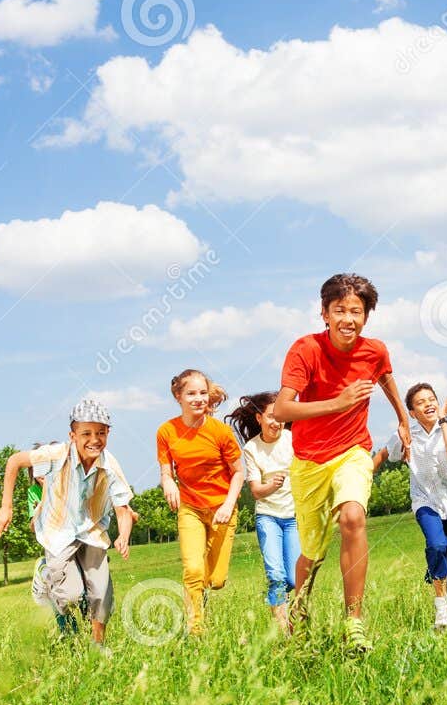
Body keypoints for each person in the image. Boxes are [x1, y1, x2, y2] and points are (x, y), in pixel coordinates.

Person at [274, 273, 409, 653]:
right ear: (325, 313)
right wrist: (339, 402)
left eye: (356, 311)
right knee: (313, 553)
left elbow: (385, 378)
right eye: (340, 310)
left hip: (353, 451)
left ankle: (354, 622)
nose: (348, 318)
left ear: (366, 316)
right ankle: (298, 617)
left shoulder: (375, 350)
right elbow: (283, 408)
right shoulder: (305, 349)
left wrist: (402, 419)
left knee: (352, 517)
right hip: (309, 462)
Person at [0, 398, 134, 650]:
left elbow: (122, 509)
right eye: (86, 433)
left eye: (100, 433)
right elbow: (14, 461)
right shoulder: (56, 455)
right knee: (71, 596)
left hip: (92, 531)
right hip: (57, 531)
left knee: (101, 594)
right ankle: (48, 580)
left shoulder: (110, 464)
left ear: (108, 433)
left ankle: (97, 647)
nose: (94, 439)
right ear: (73, 435)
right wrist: (6, 507)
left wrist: (123, 536)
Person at [373, 384, 447, 630]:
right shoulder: (407, 434)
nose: (428, 404)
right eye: (421, 402)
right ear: (411, 411)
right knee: (437, 544)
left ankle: (441, 587)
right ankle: (442, 607)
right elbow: (384, 454)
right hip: (424, 500)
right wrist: (362, 479)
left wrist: (444, 421)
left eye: (432, 399)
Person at [157, 369, 244, 633]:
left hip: (222, 508)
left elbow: (239, 471)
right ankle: (196, 631)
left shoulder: (220, 431)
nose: (198, 399)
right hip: (191, 509)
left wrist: (228, 505)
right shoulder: (167, 431)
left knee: (216, 580)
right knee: (193, 570)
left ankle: (201, 591)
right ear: (178, 396)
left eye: (203, 393)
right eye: (191, 393)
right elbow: (165, 470)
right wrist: (169, 482)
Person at [227, 391, 298, 633]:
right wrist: (272, 485)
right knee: (276, 576)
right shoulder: (251, 449)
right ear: (259, 418)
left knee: (295, 579)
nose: (276, 422)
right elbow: (256, 490)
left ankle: (294, 618)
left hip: (294, 518)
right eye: (270, 416)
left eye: (280, 416)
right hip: (268, 517)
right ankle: (282, 632)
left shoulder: (292, 439)